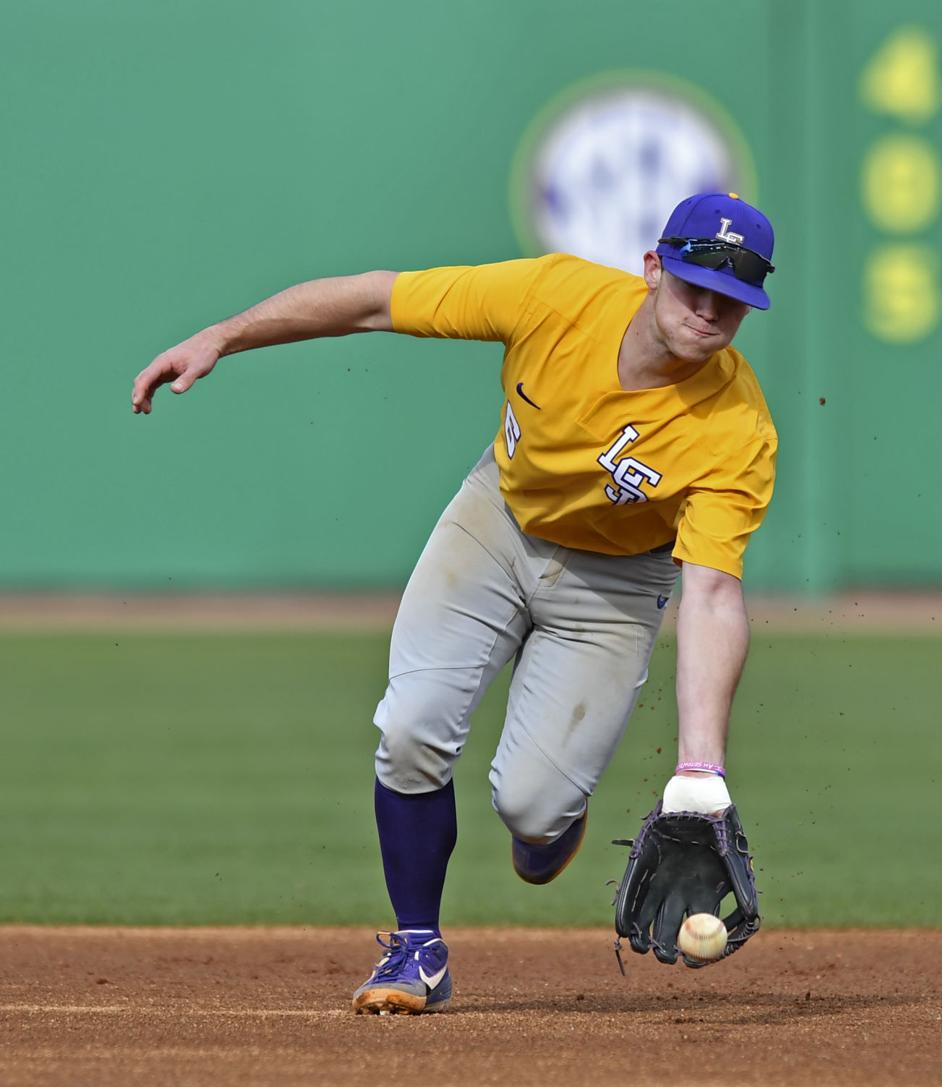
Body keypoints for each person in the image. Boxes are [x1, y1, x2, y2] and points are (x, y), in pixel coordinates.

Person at [132, 191, 778, 1016]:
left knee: (532, 808)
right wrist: (220, 335)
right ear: (653, 269)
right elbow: (374, 300)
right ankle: (415, 949)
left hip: (612, 584)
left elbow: (715, 596)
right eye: (695, 285)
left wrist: (698, 772)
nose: (710, 311)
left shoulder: (736, 429)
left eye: (733, 301)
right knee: (410, 727)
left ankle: (550, 829)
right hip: (496, 522)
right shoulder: (556, 298)